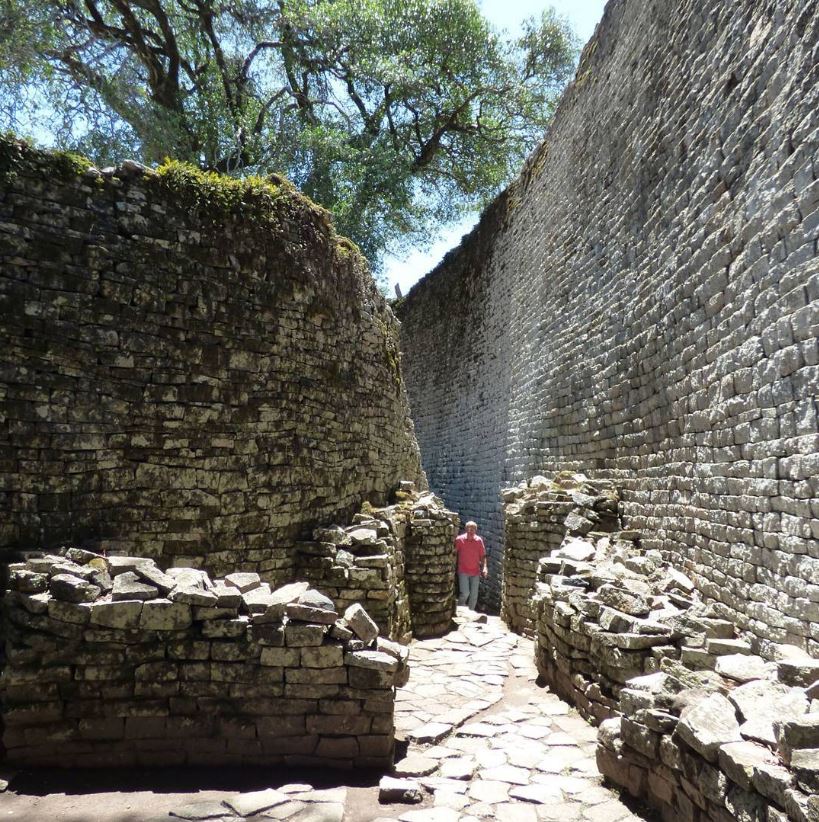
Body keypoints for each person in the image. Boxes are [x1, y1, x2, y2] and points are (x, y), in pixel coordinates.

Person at [455, 520, 488, 610]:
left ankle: (471, 613)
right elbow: (454, 553)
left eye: (473, 529)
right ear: (466, 529)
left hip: (475, 572)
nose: (471, 531)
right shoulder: (459, 540)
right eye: (469, 529)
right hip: (463, 571)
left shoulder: (479, 541)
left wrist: (485, 567)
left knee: (474, 596)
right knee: (465, 593)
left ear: (475, 530)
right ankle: (460, 610)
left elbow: (483, 556)